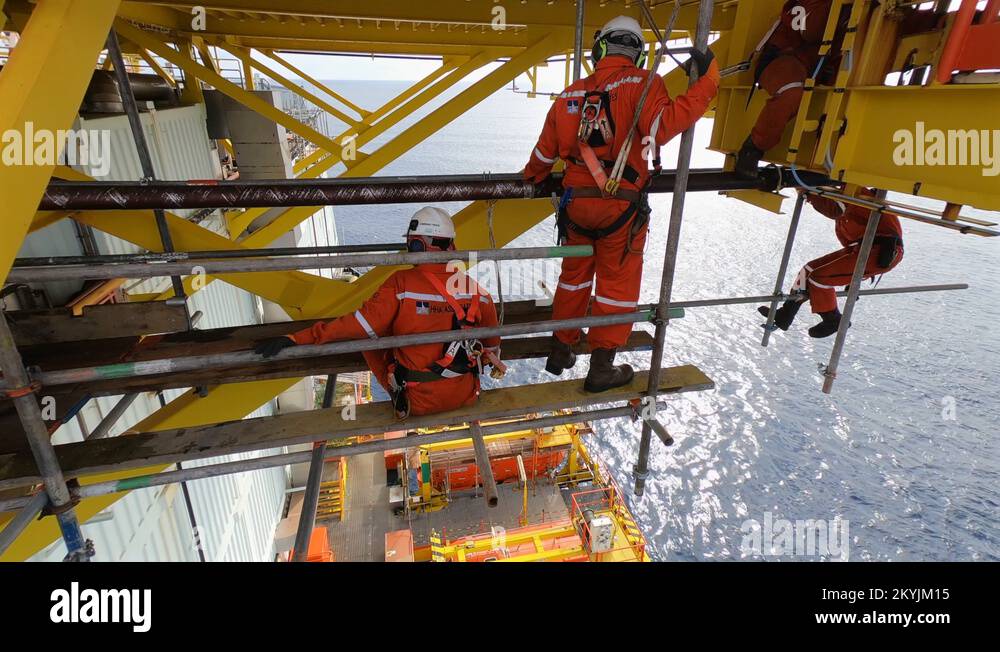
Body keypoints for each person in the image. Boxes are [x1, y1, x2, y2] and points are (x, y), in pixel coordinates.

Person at [522, 15, 720, 392]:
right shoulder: (645, 84)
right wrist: (708, 83)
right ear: (637, 53)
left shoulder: (569, 94)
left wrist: (532, 177)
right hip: (620, 207)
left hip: (576, 207)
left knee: (573, 280)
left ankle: (561, 350)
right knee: (616, 286)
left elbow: (541, 160)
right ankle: (601, 368)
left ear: (599, 48)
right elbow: (666, 124)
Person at [254, 207, 503, 417]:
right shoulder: (478, 293)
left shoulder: (401, 285)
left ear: (416, 245)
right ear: (452, 246)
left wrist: (297, 338)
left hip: (418, 402)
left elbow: (356, 326)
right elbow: (490, 349)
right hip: (465, 394)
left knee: (369, 332)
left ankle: (399, 391)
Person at [758, 188, 904, 338]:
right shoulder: (847, 198)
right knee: (807, 270)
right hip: (863, 248)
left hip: (882, 251)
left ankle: (832, 319)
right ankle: (786, 314)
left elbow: (834, 209)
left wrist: (808, 193)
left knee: (820, 278)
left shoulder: (855, 192)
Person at [734, 0, 849, 178]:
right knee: (791, 92)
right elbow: (811, 30)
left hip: (818, 66)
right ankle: (753, 148)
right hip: (783, 59)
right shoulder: (805, 4)